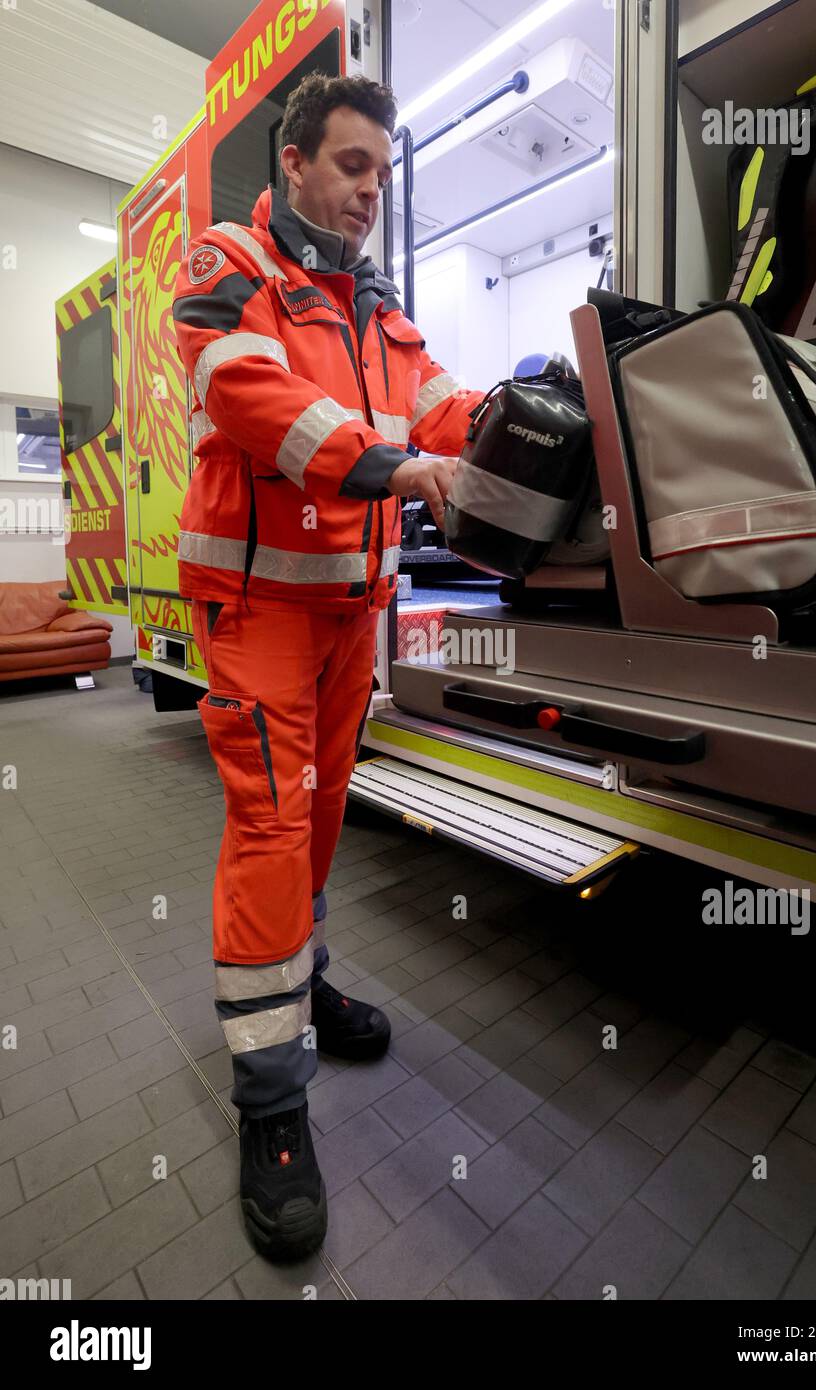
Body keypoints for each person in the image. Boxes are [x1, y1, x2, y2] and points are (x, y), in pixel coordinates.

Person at [171, 71, 484, 1262]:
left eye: (382, 177)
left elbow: (447, 406)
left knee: (316, 822)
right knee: (267, 824)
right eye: (352, 167)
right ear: (293, 160)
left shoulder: (381, 315)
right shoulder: (225, 269)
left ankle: (300, 987)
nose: (369, 194)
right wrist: (388, 469)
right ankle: (270, 1105)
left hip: (353, 612)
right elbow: (255, 399)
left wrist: (542, 411)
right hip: (257, 607)